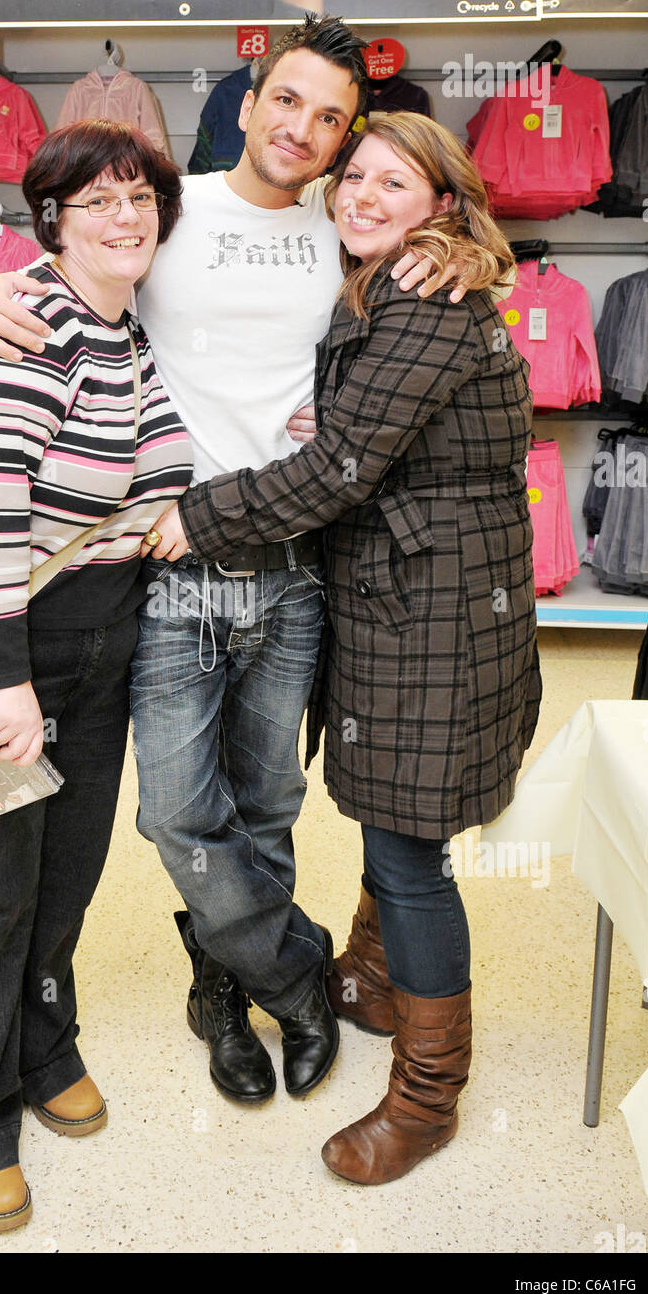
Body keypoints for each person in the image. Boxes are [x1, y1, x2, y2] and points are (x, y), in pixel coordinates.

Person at [0, 15, 477, 1109]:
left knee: (267, 800)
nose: (303, 128)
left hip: (297, 565)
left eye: (330, 117)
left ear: (344, 140)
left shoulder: (349, 230)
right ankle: (293, 972)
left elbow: (427, 281)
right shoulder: (171, 207)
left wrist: (453, 243)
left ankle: (219, 995)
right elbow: (63, 264)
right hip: (174, 560)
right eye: (287, 100)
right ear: (248, 101)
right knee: (178, 812)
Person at [144, 110, 542, 1184]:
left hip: (435, 598)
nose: (360, 195)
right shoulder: (388, 278)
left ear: (441, 204)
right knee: (388, 806)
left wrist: (204, 515)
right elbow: (359, 441)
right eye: (351, 176)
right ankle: (363, 976)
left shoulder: (423, 296)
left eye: (391, 183)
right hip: (418, 582)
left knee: (409, 849)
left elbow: (337, 474)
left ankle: (427, 1095)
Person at [0, 120, 191, 1232]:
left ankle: (41, 1043)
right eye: (94, 198)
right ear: (49, 218)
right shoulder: (32, 322)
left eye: (140, 195)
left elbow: (146, 470)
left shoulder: (124, 331)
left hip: (90, 640)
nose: (124, 214)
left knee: (62, 876)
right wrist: (5, 685)